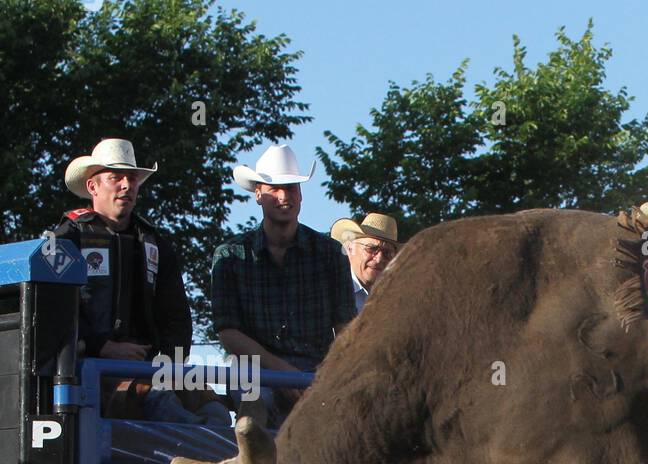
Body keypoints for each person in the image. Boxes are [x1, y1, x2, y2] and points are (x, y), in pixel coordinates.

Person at [51, 139, 222, 425]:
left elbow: (177, 318)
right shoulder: (68, 237)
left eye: (132, 178)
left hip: (152, 369)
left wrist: (167, 364)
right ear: (92, 187)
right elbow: (53, 309)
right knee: (161, 403)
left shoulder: (154, 242)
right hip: (89, 370)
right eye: (116, 178)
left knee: (214, 410)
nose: (126, 186)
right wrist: (101, 347)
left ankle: (212, 452)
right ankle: (198, 454)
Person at [211, 144, 354, 422]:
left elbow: (346, 327)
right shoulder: (230, 255)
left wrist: (329, 374)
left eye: (290, 188)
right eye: (274, 189)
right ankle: (255, 460)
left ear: (300, 196)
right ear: (258, 195)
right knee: (256, 408)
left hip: (317, 371)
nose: (283, 196)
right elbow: (228, 333)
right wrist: (284, 372)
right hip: (253, 371)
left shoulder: (330, 254)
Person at [330, 212, 401, 313]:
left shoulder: (396, 301)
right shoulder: (330, 290)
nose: (379, 258)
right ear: (350, 249)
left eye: (387, 253)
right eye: (371, 248)